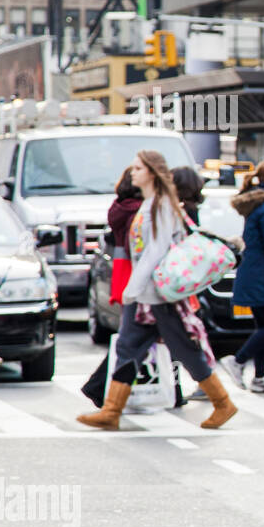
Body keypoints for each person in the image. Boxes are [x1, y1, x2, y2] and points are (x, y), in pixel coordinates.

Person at [77, 150, 237, 430]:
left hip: (159, 295)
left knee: (185, 349)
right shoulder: (151, 202)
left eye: (138, 168)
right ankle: (111, 411)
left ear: (151, 172)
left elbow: (154, 251)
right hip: (147, 295)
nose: (132, 172)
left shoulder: (160, 205)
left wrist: (132, 287)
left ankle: (223, 403)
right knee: (128, 347)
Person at [219, 159, 264, 392]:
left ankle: (260, 376)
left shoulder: (258, 203)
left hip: (255, 272)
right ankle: (237, 360)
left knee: (263, 325)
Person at [80, 167, 143, 409]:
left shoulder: (121, 207)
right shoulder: (137, 211)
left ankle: (101, 390)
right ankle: (98, 388)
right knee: (135, 337)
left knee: (139, 337)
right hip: (134, 273)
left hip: (123, 271)